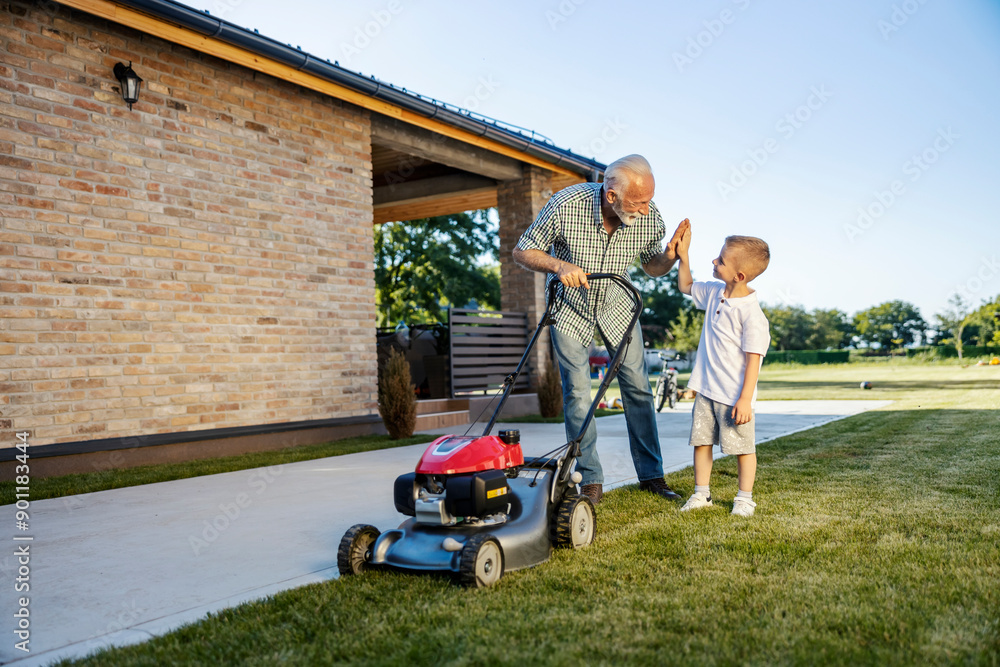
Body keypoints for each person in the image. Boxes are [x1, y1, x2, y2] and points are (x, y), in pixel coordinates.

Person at [512, 154, 689, 505]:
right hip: (569, 309)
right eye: (639, 202)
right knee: (578, 394)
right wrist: (558, 264)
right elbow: (523, 251)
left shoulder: (648, 217)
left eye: (649, 199)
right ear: (611, 196)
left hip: (618, 305)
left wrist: (670, 254)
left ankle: (652, 475)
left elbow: (652, 266)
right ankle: (590, 479)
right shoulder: (566, 205)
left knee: (638, 388)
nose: (646, 209)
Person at [675, 227, 771, 517]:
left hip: (734, 397)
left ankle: (744, 499)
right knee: (702, 442)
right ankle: (701, 494)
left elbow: (754, 361)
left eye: (721, 260)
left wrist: (744, 400)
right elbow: (686, 285)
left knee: (743, 448)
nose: (715, 262)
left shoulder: (752, 315)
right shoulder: (715, 292)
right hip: (706, 389)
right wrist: (683, 256)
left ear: (739, 276)